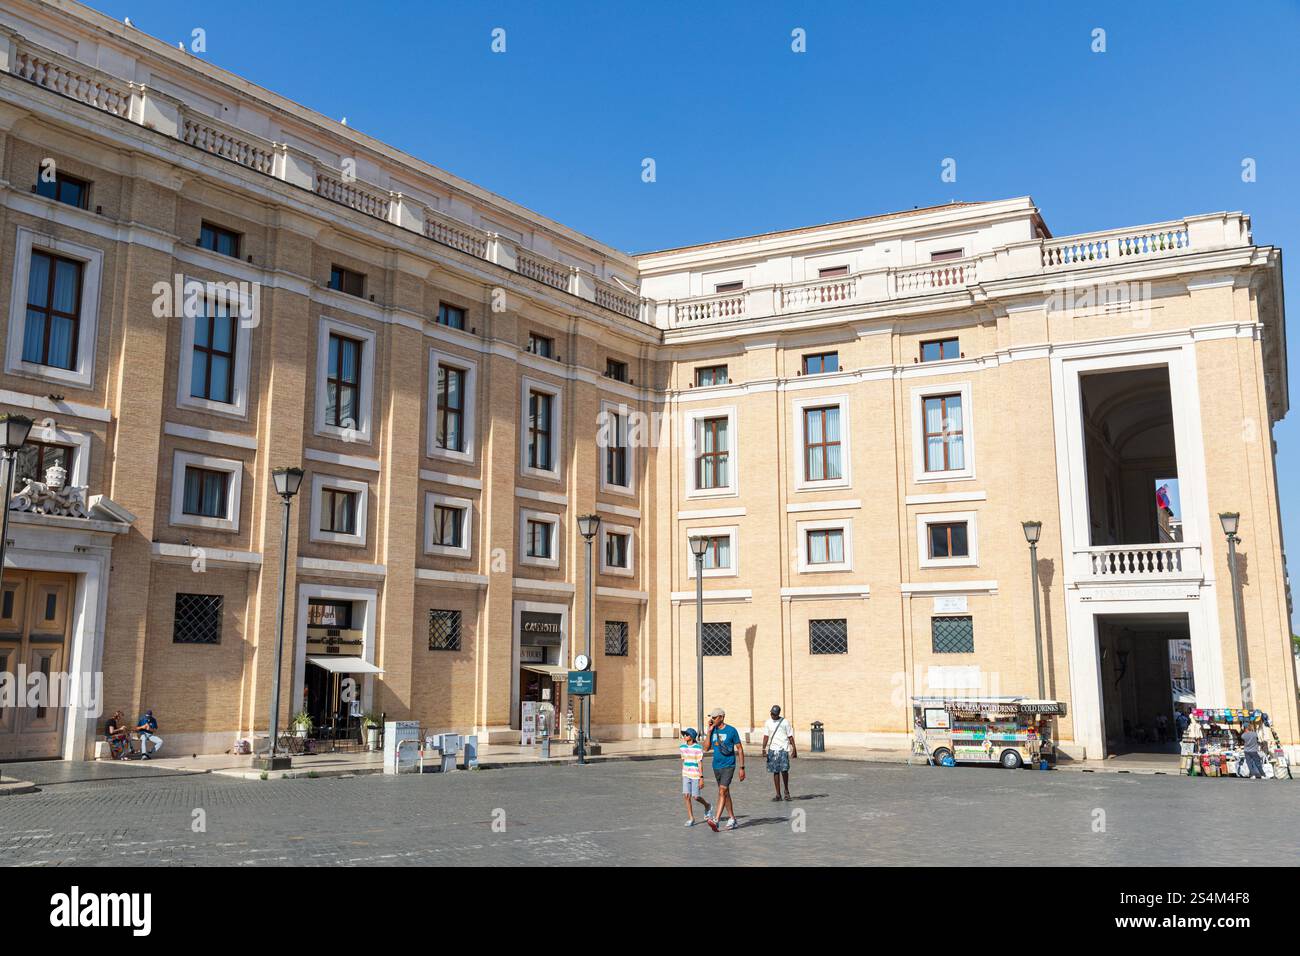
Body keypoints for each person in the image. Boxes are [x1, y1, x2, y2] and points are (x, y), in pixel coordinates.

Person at [702, 708, 744, 831]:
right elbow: (706, 748)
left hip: (729, 765)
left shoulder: (731, 731)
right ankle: (732, 818)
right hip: (716, 766)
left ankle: (716, 820)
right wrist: (709, 732)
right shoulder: (712, 730)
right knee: (725, 793)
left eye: (714, 717)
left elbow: (740, 749)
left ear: (721, 717)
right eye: (712, 717)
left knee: (722, 791)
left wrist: (742, 768)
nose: (712, 719)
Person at [761, 704, 796, 801]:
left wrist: (794, 749)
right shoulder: (768, 722)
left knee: (784, 770)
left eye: (774, 714)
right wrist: (763, 749)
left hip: (783, 749)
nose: (773, 715)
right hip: (773, 749)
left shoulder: (785, 722)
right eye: (772, 713)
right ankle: (778, 794)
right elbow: (766, 736)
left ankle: (786, 791)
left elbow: (790, 736)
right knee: (775, 772)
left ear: (778, 714)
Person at [678, 728, 712, 827]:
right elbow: (684, 761)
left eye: (686, 735)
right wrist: (684, 773)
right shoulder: (682, 747)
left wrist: (701, 778)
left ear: (691, 737)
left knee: (696, 797)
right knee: (686, 796)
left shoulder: (698, 748)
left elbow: (700, 763)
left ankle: (707, 805)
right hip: (686, 775)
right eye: (684, 735)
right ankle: (691, 818)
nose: (684, 736)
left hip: (696, 775)